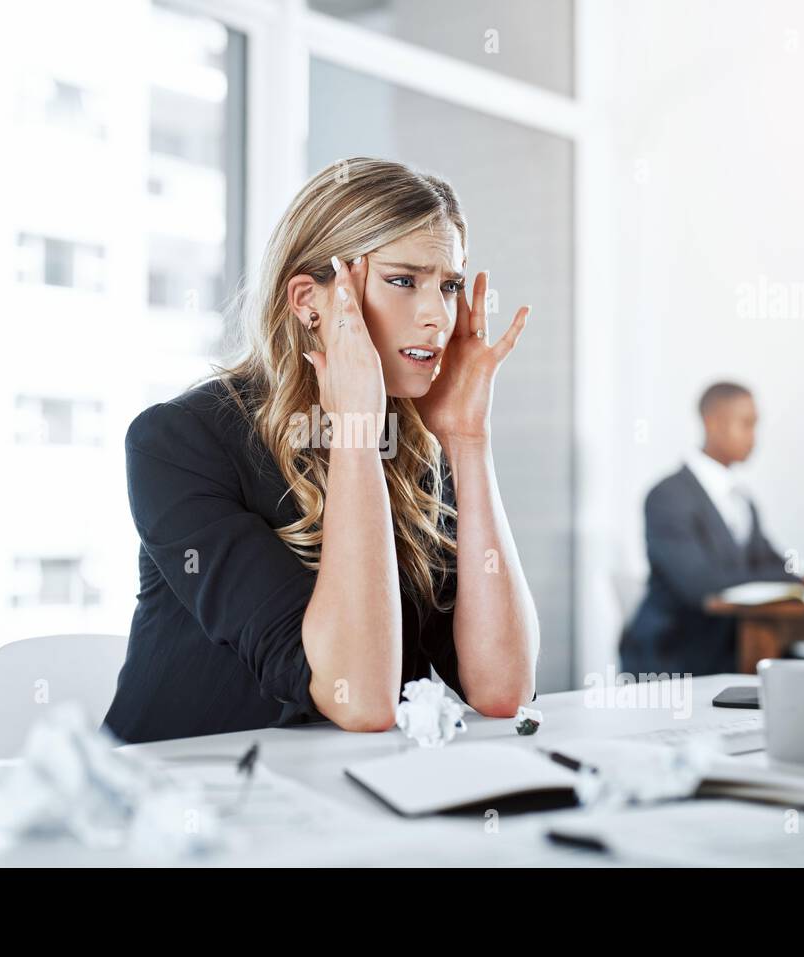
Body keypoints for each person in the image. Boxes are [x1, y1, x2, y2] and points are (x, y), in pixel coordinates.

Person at [103, 157, 540, 744]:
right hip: (181, 803)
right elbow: (358, 700)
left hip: (346, 799)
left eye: (450, 284)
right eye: (404, 280)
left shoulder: (412, 448)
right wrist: (355, 433)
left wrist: (467, 440)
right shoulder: (179, 443)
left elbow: (503, 689)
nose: (439, 315)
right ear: (311, 302)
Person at [620, 381, 804, 677]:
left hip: (739, 646)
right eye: (747, 425)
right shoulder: (668, 496)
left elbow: (768, 561)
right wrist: (800, 579)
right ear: (713, 423)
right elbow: (700, 584)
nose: (754, 438)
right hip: (677, 654)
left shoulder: (741, 499)